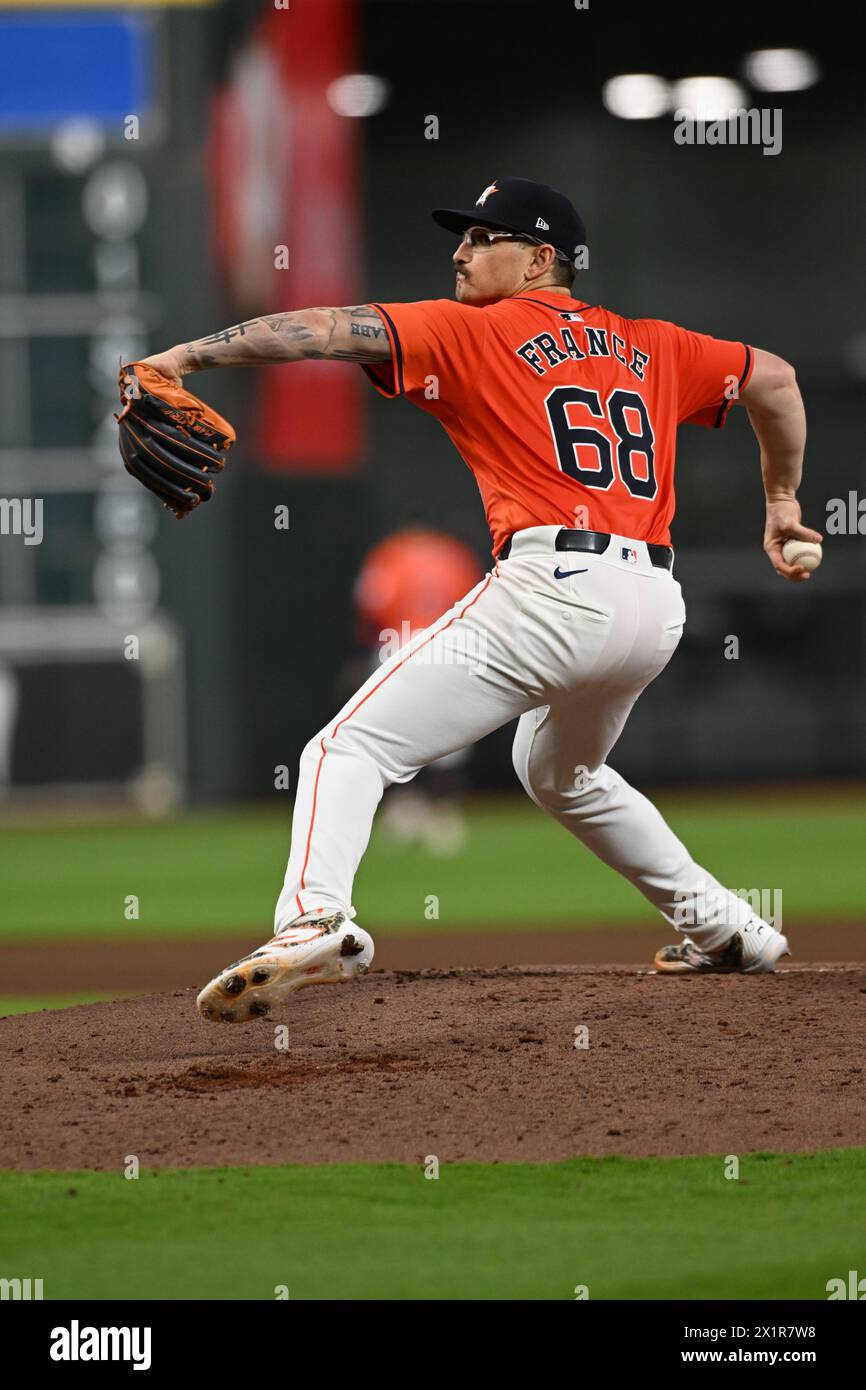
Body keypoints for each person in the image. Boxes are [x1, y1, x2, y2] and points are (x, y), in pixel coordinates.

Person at [141, 175, 821, 1023]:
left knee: (343, 752)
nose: (460, 250)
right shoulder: (657, 344)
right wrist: (785, 506)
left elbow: (315, 330)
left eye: (483, 237)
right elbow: (780, 382)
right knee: (561, 773)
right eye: (461, 236)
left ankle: (312, 921)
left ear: (542, 259)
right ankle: (727, 930)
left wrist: (182, 359)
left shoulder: (470, 331)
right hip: (652, 602)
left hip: (555, 587)